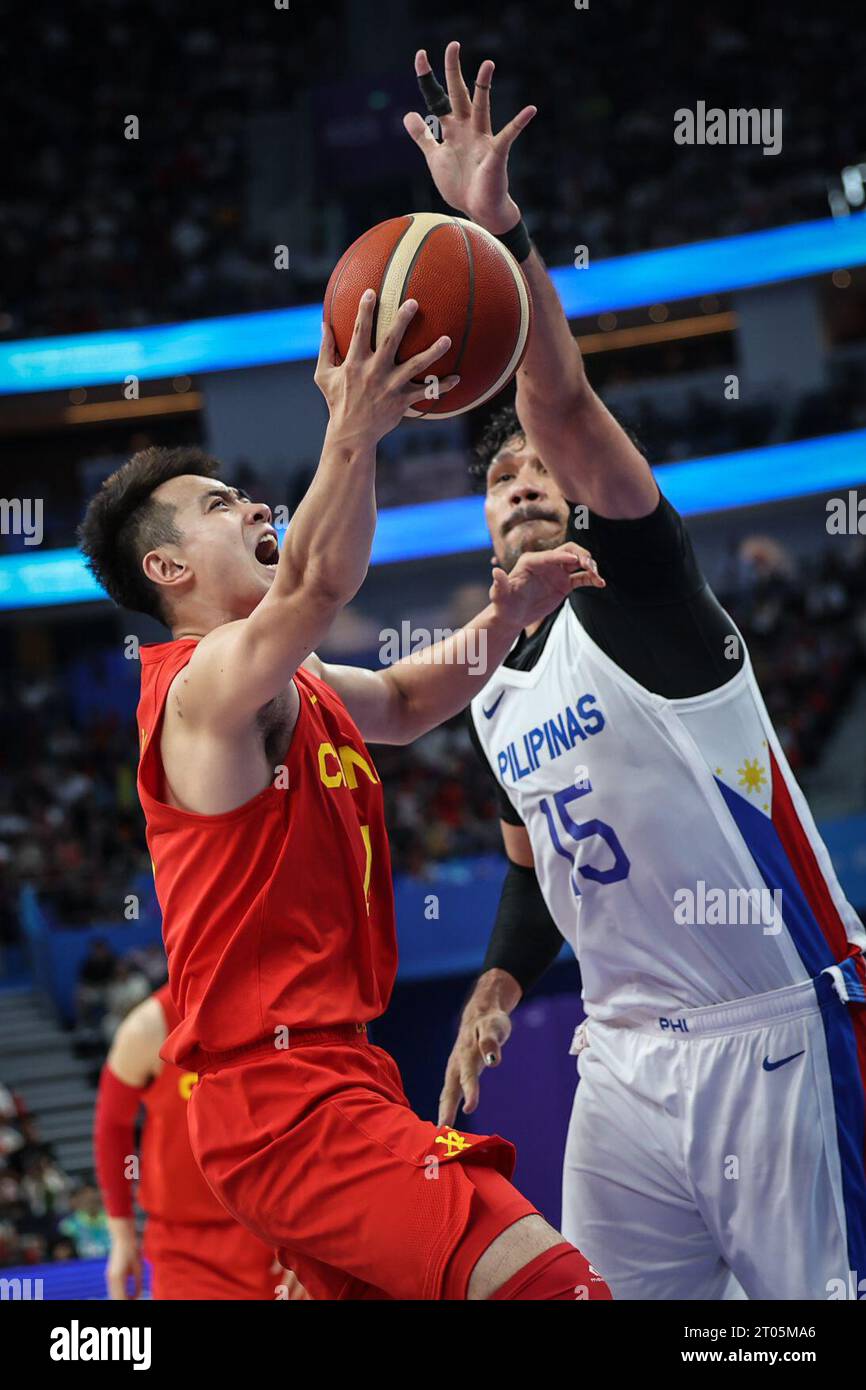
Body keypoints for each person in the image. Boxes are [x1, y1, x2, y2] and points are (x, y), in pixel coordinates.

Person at [406, 41, 866, 1301]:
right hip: (617, 1057)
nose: (517, 484)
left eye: (535, 474)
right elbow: (531, 874)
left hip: (768, 1026)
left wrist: (496, 234)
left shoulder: (645, 592)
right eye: (497, 479)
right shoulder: (490, 690)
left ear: (578, 501)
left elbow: (558, 409)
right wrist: (496, 984)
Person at [79, 292, 612, 1301]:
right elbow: (316, 586)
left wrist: (503, 618)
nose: (253, 508)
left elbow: (407, 701)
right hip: (279, 1097)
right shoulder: (198, 692)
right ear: (168, 566)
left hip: (337, 1073)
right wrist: (353, 427)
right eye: (220, 505)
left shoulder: (298, 677)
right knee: (555, 1286)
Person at [95, 983, 305, 1299]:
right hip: (186, 1250)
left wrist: (313, 1229)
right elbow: (112, 1126)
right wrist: (122, 1233)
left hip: (278, 1235)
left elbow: (313, 1117)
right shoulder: (149, 1026)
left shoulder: (283, 1008)